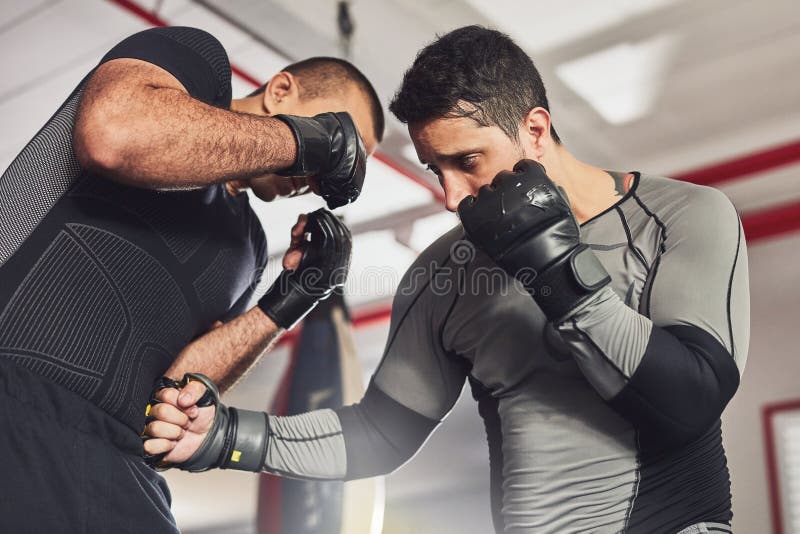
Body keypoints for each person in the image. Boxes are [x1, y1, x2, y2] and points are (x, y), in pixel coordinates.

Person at [143, 26, 749, 534]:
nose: (452, 196)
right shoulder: (443, 271)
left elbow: (689, 402)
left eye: (468, 162)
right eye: (436, 169)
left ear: (535, 130)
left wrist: (558, 271)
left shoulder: (680, 217)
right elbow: (380, 432)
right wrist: (226, 436)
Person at [0, 25, 384, 533]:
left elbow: (177, 392)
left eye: (345, 162)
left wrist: (290, 299)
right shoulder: (196, 64)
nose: (325, 175)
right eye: (339, 137)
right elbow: (112, 134)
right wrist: (310, 142)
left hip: (120, 464)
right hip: (15, 399)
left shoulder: (247, 246)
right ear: (280, 90)